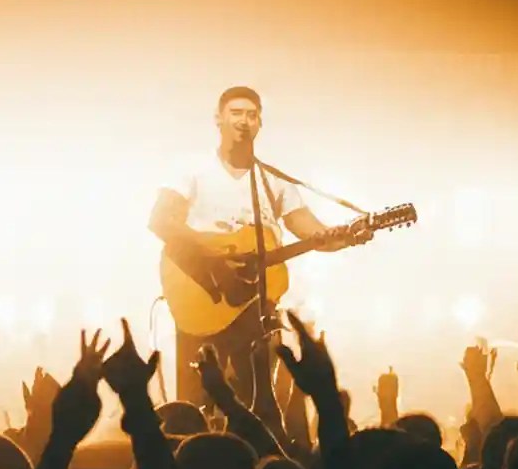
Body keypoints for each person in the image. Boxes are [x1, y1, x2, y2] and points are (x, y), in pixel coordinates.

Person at [148, 86, 369, 406]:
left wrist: (347, 236)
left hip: (257, 306)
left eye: (252, 115)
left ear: (260, 124)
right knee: (195, 403)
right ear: (218, 119)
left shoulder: (273, 180)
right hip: (203, 292)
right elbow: (159, 221)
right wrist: (217, 260)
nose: (244, 121)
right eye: (236, 113)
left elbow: (313, 233)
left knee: (261, 404)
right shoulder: (192, 171)